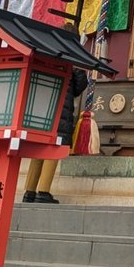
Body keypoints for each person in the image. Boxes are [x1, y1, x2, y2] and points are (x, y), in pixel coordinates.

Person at [22, 68, 86, 204]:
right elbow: (80, 86)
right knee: (54, 146)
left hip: (41, 107)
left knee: (39, 148)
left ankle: (29, 191)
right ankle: (43, 192)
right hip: (60, 109)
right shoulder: (69, 62)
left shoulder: (44, 57)